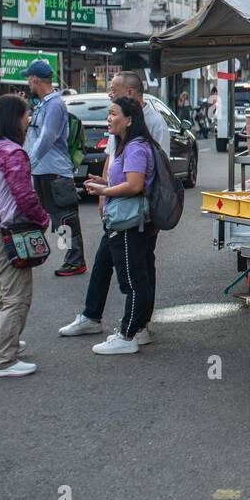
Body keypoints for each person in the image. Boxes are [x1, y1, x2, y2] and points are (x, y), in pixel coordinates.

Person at [60, 71, 169, 341]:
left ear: (130, 93)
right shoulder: (120, 123)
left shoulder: (150, 126)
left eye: (113, 89)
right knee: (105, 261)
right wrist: (103, 196)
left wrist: (153, 217)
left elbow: (154, 176)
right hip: (118, 211)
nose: (109, 94)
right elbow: (112, 158)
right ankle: (92, 315)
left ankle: (137, 327)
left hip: (137, 214)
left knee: (139, 270)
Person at [0, 95, 52, 378]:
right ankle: (2, 360)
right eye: (25, 116)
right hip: (5, 231)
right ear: (14, 118)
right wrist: (43, 219)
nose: (28, 121)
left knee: (4, 291)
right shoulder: (12, 153)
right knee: (17, 295)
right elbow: (25, 196)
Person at [82, 97, 158, 355]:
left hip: (129, 222)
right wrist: (104, 180)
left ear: (129, 119)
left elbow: (135, 185)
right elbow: (128, 178)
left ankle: (127, 336)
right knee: (138, 278)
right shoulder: (129, 145)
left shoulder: (135, 147)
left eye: (113, 114)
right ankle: (134, 331)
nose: (109, 118)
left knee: (134, 281)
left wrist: (105, 189)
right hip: (130, 220)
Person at [23, 60, 86, 276]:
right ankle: (23, 253)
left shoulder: (55, 104)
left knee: (64, 219)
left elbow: (47, 137)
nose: (28, 84)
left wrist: (29, 163)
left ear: (34, 79)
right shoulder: (44, 104)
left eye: (28, 80)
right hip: (42, 171)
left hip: (55, 172)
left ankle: (75, 260)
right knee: (35, 215)